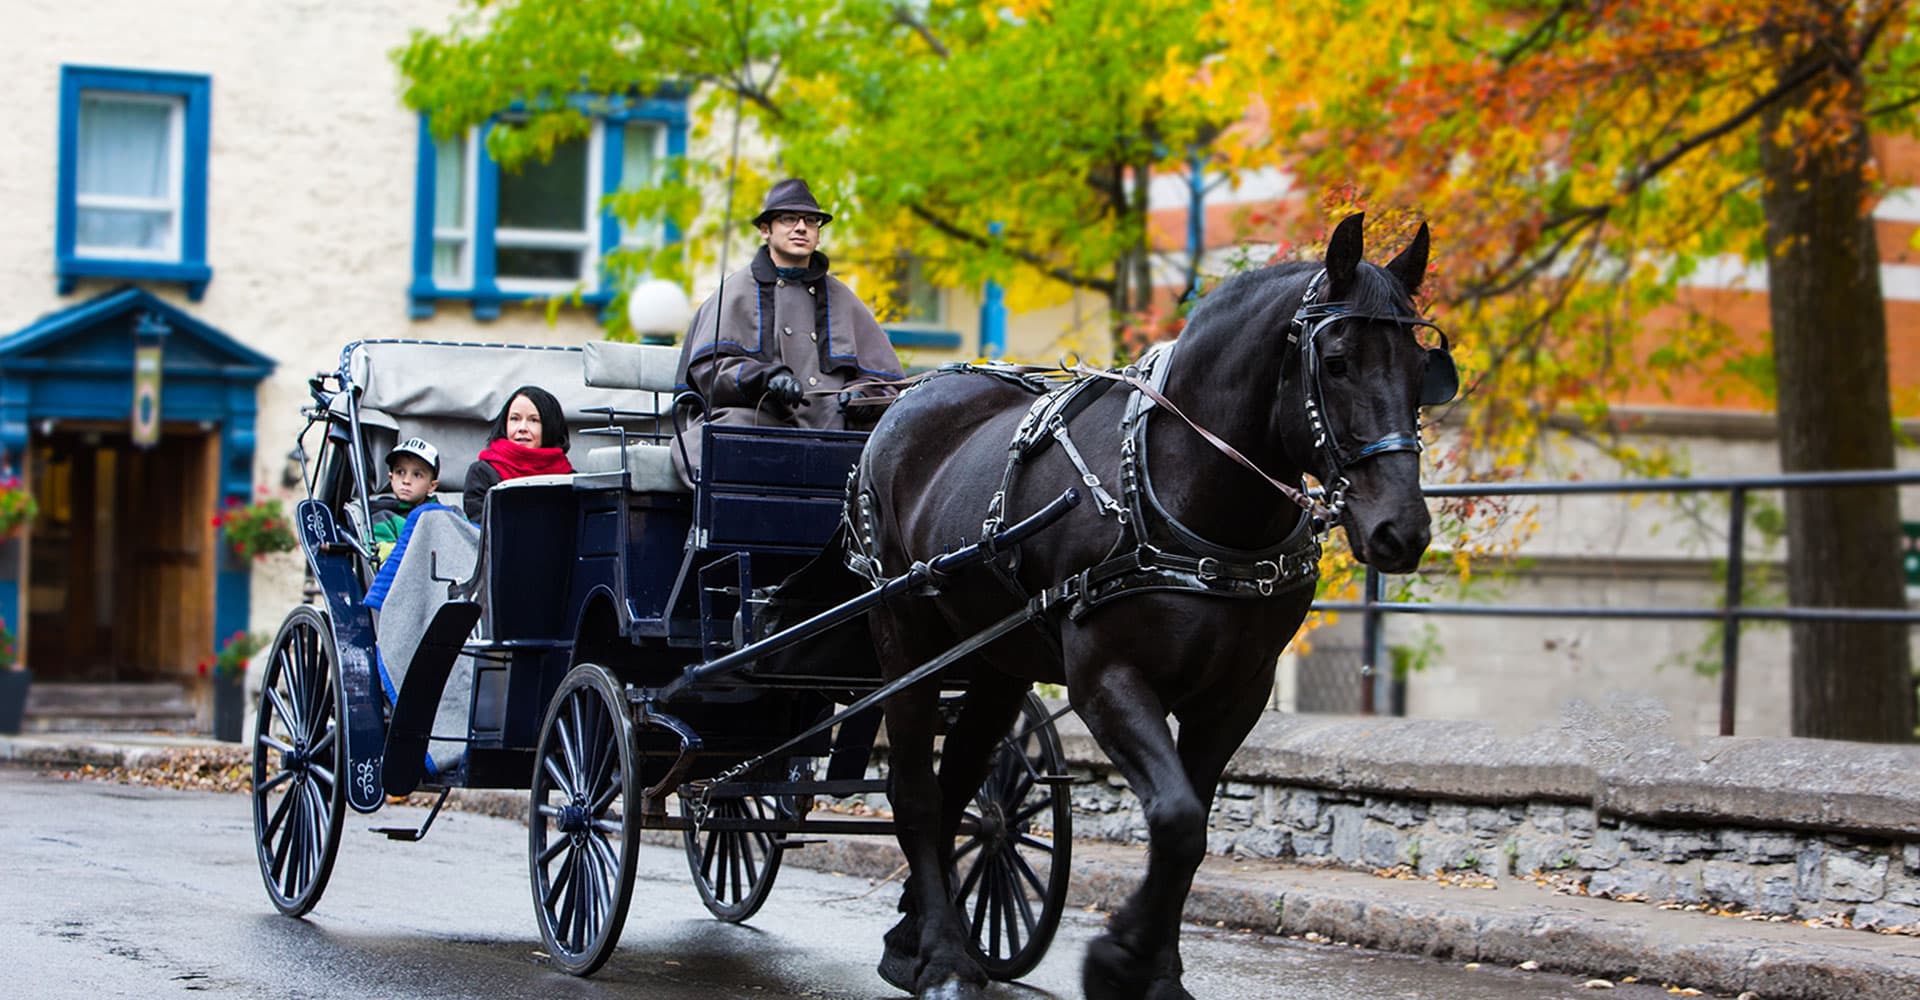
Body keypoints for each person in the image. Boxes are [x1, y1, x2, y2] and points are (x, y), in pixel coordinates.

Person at [671, 177, 903, 485]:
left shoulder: (844, 299)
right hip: (761, 421)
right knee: (730, 434)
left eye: (811, 221)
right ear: (765, 230)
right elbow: (708, 372)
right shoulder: (736, 292)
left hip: (833, 432)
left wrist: (860, 397)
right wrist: (767, 378)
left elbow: (887, 383)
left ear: (818, 235)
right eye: (789, 219)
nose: (801, 228)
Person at [462, 386, 573, 522]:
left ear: (550, 426)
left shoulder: (569, 479)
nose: (522, 428)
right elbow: (480, 530)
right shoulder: (482, 473)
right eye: (515, 418)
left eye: (533, 420)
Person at [369, 437, 441, 563]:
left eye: (417, 475)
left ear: (432, 486)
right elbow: (385, 561)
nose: (406, 481)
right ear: (391, 478)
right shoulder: (381, 517)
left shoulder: (448, 514)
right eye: (400, 472)